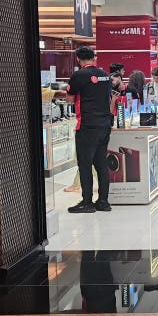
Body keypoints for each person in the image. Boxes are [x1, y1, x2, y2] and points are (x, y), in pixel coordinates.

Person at [65, 46, 113, 213]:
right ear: (93, 58)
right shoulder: (105, 76)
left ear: (78, 59)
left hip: (87, 125)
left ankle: (87, 202)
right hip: (104, 125)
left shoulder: (79, 75)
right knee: (101, 164)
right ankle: (104, 201)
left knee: (85, 164)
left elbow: (70, 99)